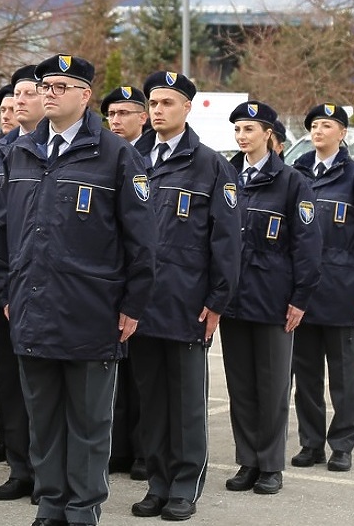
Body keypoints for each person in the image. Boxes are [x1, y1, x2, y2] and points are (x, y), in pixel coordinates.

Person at [0, 54, 155, 526]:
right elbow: (2, 231)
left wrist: (132, 303)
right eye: (45, 85)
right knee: (42, 417)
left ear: (85, 95)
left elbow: (142, 239)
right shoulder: (21, 152)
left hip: (92, 307)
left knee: (88, 421)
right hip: (32, 304)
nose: (49, 93)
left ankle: (83, 506)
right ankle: (50, 502)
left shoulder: (116, 155)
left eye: (61, 86)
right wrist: (8, 288)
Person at [128, 71, 240, 521]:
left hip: (187, 303)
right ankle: (157, 481)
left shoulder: (211, 165)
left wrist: (217, 301)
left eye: (167, 103)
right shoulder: (130, 159)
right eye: (153, 103)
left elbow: (227, 241)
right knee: (151, 402)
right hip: (139, 305)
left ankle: (183, 486)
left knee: (186, 403)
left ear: (187, 108)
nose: (158, 110)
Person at [222, 101, 321, 496]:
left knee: (273, 386)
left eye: (250, 129)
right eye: (238, 129)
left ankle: (270, 465)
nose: (243, 136)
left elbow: (308, 246)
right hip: (233, 301)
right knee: (241, 387)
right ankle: (247, 460)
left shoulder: (292, 182)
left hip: (274, 301)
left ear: (268, 134)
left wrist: (300, 297)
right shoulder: (228, 176)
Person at [288, 103, 354, 474]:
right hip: (304, 295)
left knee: (345, 378)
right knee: (307, 377)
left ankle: (342, 444)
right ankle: (310, 442)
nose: (317, 131)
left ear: (342, 133)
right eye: (313, 124)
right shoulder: (297, 173)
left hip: (345, 291)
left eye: (326, 125)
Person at [0, 65, 41, 498]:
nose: (18, 100)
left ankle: (49, 469)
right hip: (4, 288)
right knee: (9, 382)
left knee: (45, 383)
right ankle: (20, 467)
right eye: (14, 93)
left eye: (27, 92)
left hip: (45, 288)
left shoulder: (56, 152)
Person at [98, 84, 151, 481]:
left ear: (142, 117)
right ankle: (119, 448)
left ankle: (144, 452)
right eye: (110, 114)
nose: (115, 121)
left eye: (123, 113)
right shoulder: (105, 154)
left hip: (149, 284)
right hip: (110, 282)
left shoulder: (149, 156)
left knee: (145, 379)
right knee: (116, 374)